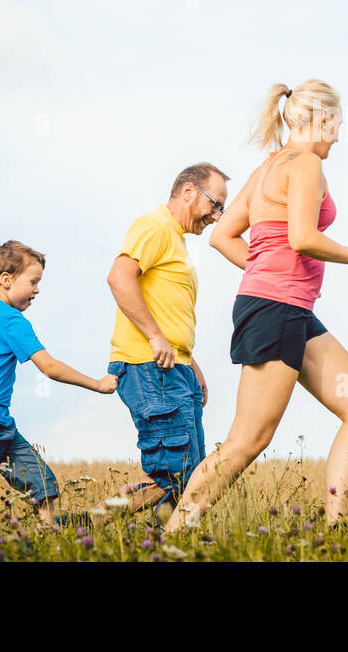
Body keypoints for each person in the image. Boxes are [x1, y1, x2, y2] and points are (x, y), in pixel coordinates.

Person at [163, 80, 348, 533]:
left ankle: (337, 526)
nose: (339, 134)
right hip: (276, 307)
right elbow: (302, 237)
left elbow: (222, 234)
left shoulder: (267, 167)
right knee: (246, 441)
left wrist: (264, 270)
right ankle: (175, 533)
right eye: (338, 124)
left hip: (286, 307)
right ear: (321, 118)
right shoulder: (305, 163)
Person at [0, 240, 118, 527]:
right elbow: (50, 367)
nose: (37, 289)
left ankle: (49, 539)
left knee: (41, 481)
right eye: (33, 281)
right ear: (7, 280)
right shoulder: (11, 321)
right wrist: (98, 384)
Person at [105, 162, 229, 517]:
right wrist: (156, 338)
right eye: (215, 204)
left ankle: (163, 542)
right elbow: (119, 278)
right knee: (174, 471)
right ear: (189, 192)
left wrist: (193, 366)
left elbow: (167, 313)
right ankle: (82, 526)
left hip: (175, 368)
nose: (218, 216)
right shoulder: (155, 226)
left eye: (222, 208)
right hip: (150, 367)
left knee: (190, 476)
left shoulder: (176, 240)